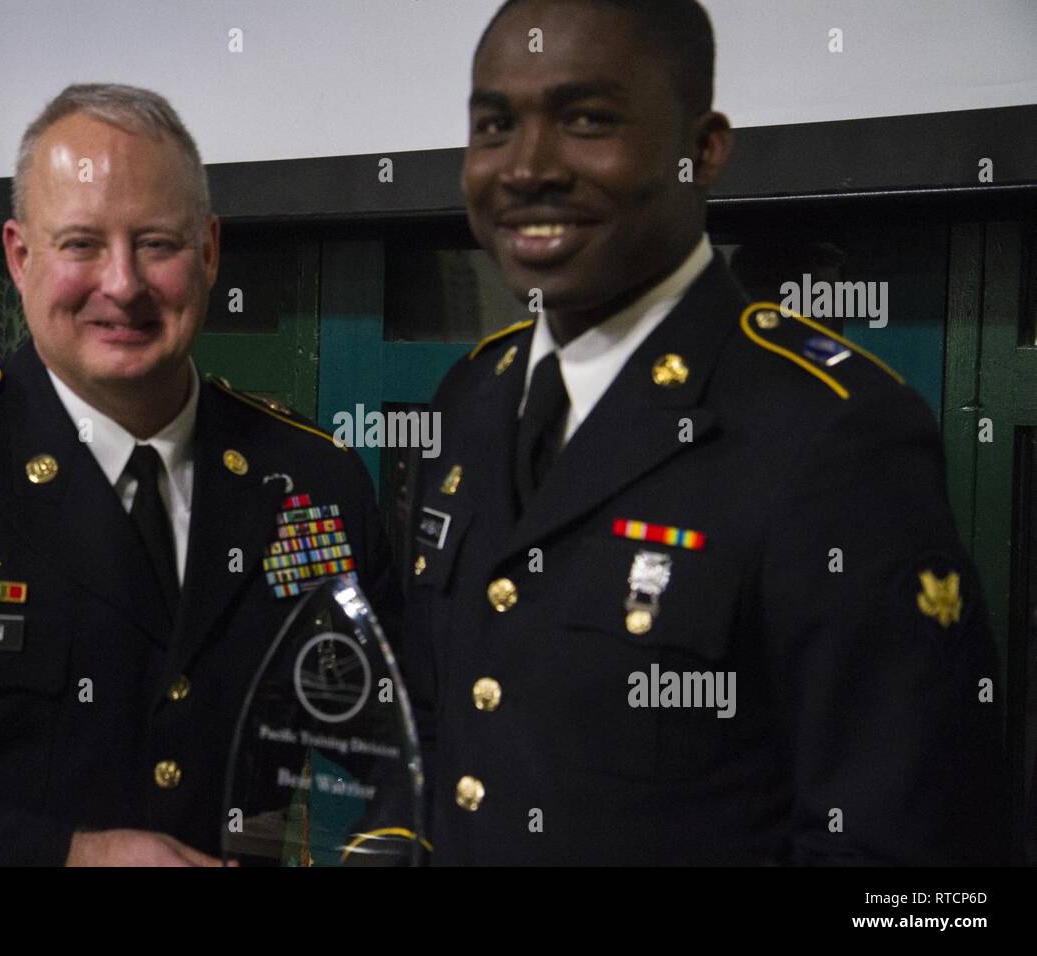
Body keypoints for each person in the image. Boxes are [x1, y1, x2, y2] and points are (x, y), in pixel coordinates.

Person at [404, 0, 1003, 864]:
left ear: (705, 148)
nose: (526, 167)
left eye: (586, 120)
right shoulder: (471, 398)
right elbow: (436, 732)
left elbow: (907, 858)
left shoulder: (833, 436)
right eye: (495, 125)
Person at [0, 84, 395, 866]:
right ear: (19, 257)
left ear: (211, 250)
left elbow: (404, 746)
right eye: (80, 244)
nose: (122, 284)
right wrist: (65, 858)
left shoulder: (309, 484)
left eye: (158, 243)